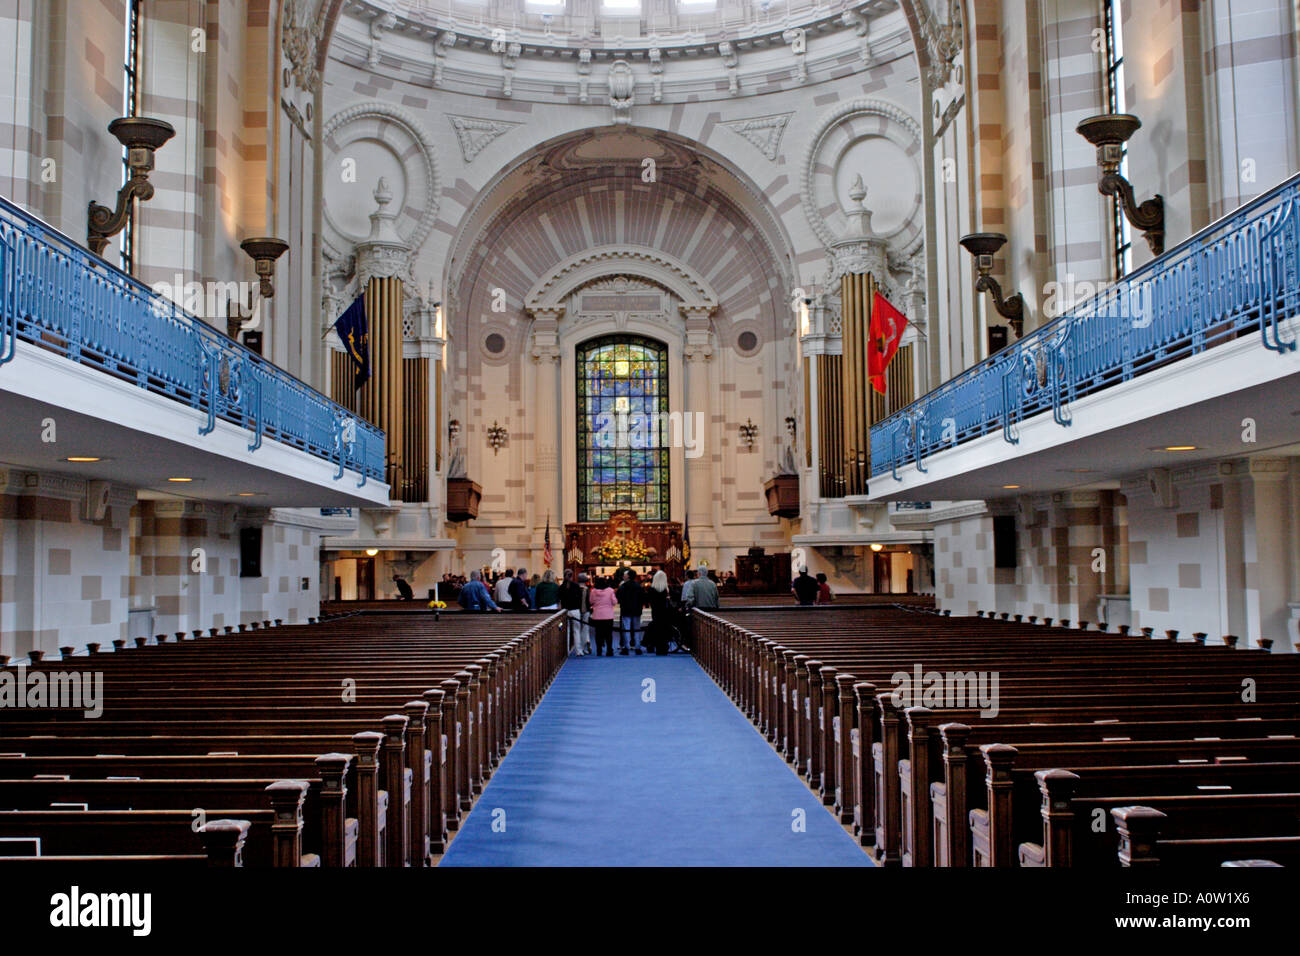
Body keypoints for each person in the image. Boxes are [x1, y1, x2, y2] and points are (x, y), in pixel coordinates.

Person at [645, 570, 677, 655]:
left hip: (656, 612)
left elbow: (648, 601)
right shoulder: (667, 589)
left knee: (656, 628)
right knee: (664, 629)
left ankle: (655, 645)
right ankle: (664, 647)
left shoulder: (652, 589)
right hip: (665, 613)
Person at [559, 569, 589, 655]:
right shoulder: (576, 586)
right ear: (572, 576)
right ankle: (578, 651)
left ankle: (566, 651)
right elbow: (580, 598)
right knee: (576, 631)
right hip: (575, 610)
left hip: (565, 611)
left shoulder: (561, 587)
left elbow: (560, 599)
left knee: (566, 630)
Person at [616, 570, 646, 655]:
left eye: (625, 575)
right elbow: (642, 598)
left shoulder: (623, 586)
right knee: (637, 629)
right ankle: (637, 647)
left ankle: (626, 647)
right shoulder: (638, 586)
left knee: (626, 629)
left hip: (626, 610)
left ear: (628, 576)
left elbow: (618, 597)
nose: (623, 576)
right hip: (637, 610)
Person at [588, 576, 618, 657]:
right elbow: (615, 602)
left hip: (597, 615)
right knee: (608, 634)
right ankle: (609, 650)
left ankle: (599, 650)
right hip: (608, 615)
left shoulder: (593, 591)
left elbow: (591, 601)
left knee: (598, 634)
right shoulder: (610, 590)